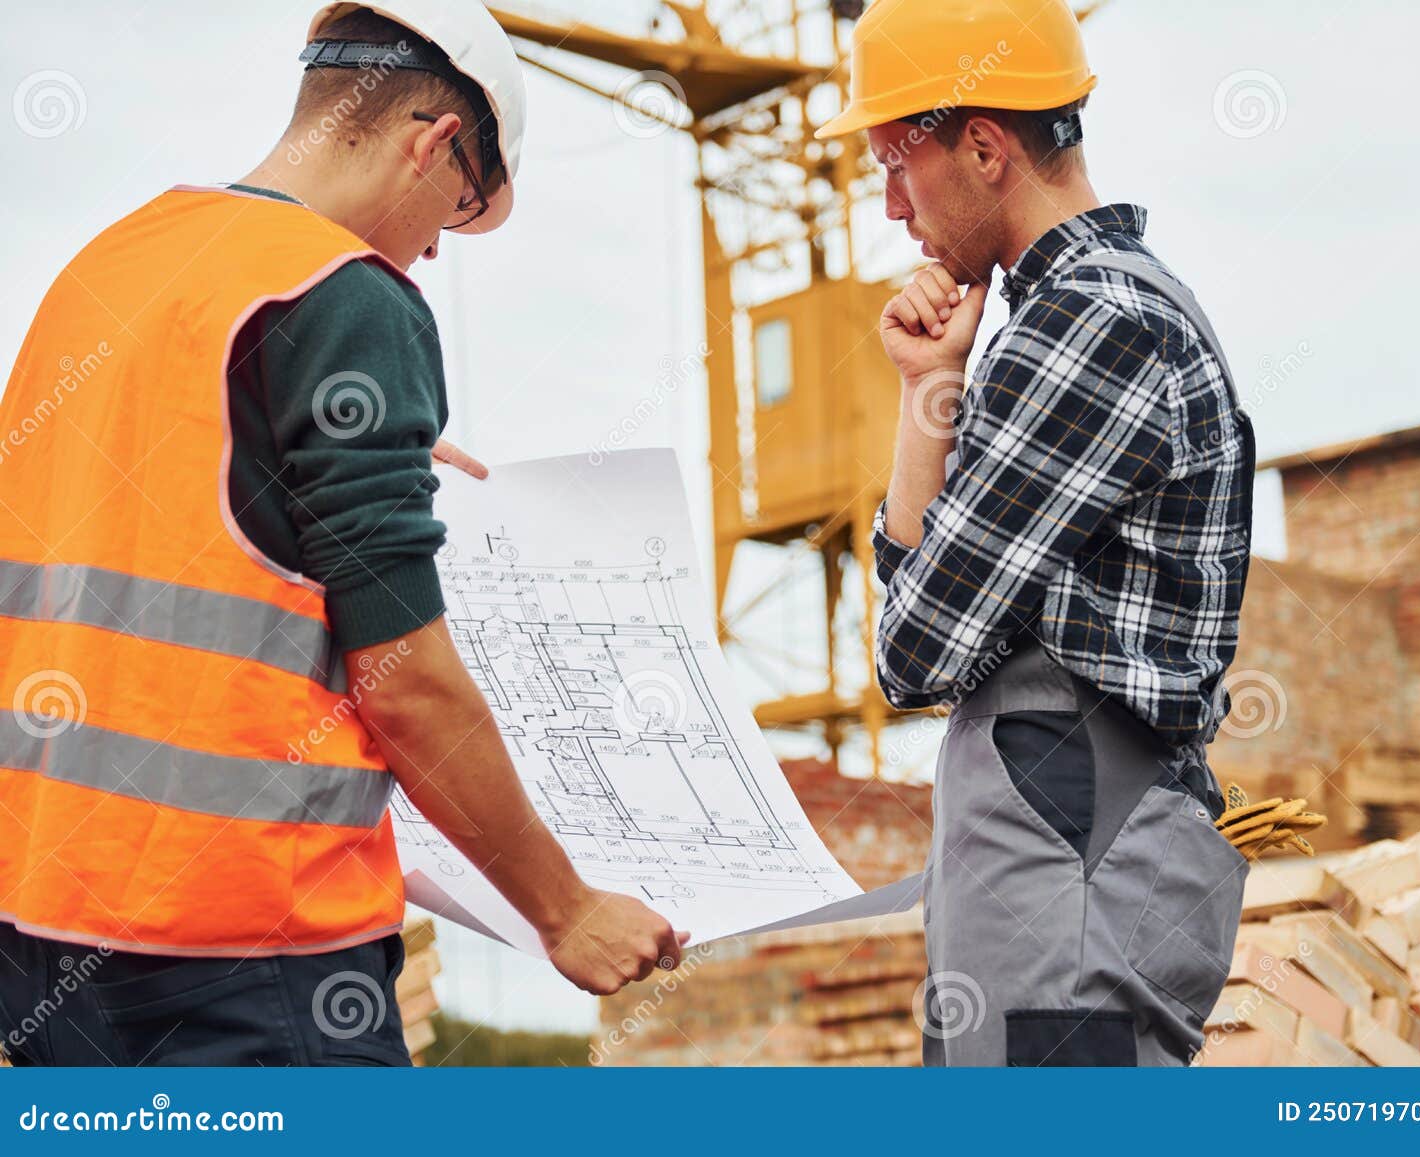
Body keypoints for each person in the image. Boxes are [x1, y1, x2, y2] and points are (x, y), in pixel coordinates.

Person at [0, 1, 683, 1068]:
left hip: (44, 935)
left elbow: (155, 512)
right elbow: (405, 681)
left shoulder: (105, 268)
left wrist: (333, 457)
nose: (434, 250)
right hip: (246, 950)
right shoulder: (348, 298)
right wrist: (566, 909)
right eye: (459, 209)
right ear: (435, 143)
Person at [818, 0, 1255, 1066]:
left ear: (982, 147)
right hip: (1061, 856)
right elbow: (922, 604)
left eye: (896, 164)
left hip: (1072, 858)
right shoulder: (1066, 317)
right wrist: (928, 387)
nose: (890, 205)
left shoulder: (1092, 323)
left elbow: (914, 650)